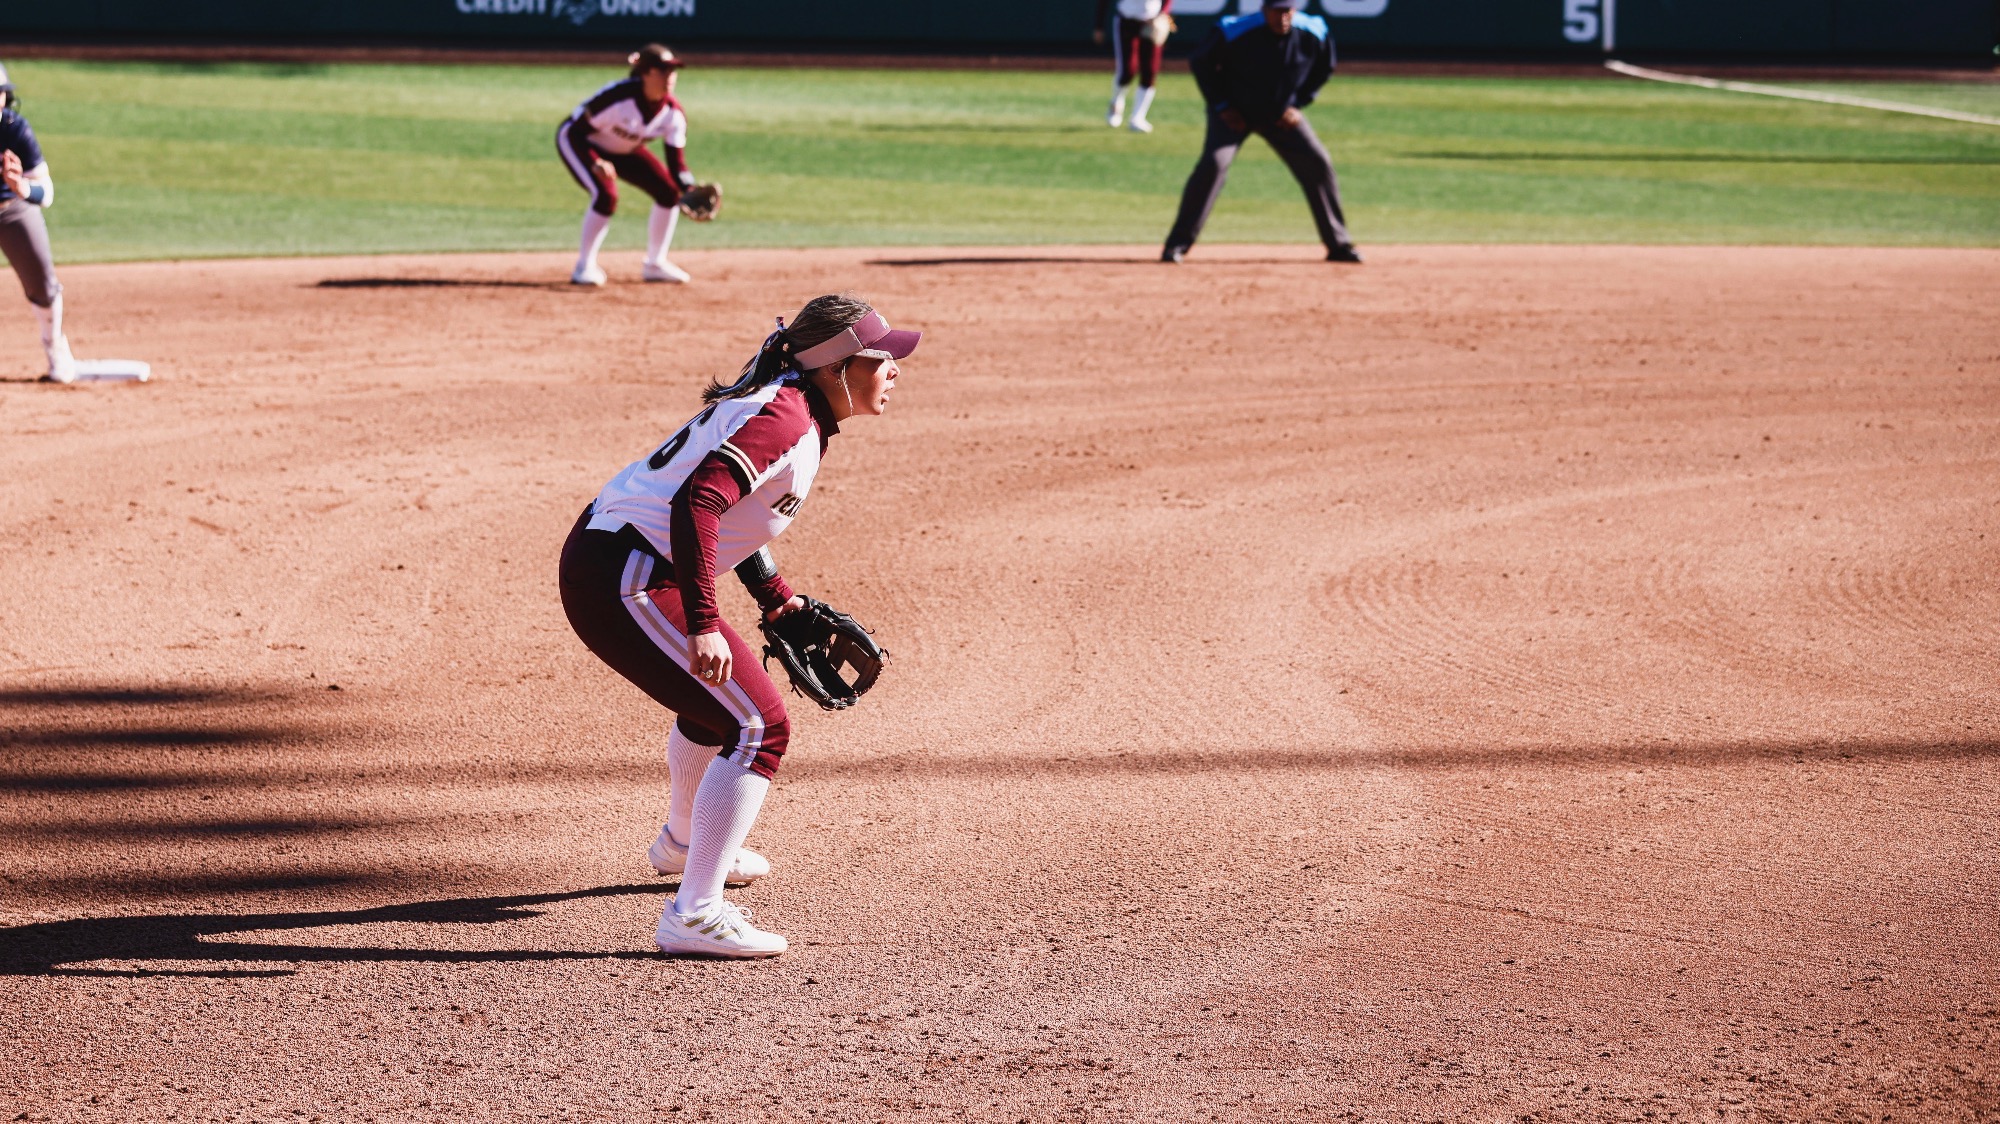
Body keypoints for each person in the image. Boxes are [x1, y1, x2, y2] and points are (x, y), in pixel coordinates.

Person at [559, 294, 921, 958]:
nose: (894, 368)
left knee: (717, 711)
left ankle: (683, 841)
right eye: (881, 358)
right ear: (837, 366)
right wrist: (703, 622)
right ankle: (695, 914)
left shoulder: (792, 408)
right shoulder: (785, 417)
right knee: (759, 725)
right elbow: (699, 501)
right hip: (626, 576)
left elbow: (736, 513)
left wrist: (774, 597)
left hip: (614, 561)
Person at [1161, 0, 1363, 265]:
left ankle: (1338, 244)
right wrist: (1222, 106)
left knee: (1317, 163)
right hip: (1234, 116)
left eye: (1288, 11)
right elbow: (1201, 63)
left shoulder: (1313, 32)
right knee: (1214, 164)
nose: (1283, 17)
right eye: (1277, 11)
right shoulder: (1233, 31)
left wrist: (1298, 103)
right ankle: (1177, 245)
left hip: (1280, 116)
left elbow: (1325, 67)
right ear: (1264, 10)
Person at [556, 44, 700, 287]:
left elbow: (677, 166)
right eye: (662, 70)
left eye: (672, 71)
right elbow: (576, 132)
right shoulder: (617, 99)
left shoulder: (672, 114)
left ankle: (655, 264)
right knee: (606, 194)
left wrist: (689, 187)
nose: (670, 77)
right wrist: (595, 162)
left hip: (623, 151)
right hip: (580, 142)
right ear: (645, 73)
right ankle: (584, 266)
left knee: (668, 192)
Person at [0, 62, 74, 383]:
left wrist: (21, 188)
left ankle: (55, 348)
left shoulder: (15, 129)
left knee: (43, 285)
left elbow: (47, 194)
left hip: (13, 209)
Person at [1094, 0, 1174, 133]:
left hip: (1151, 22)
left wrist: (1163, 14)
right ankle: (1116, 103)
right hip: (1127, 21)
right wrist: (1098, 26)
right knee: (1128, 71)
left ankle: (1138, 117)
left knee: (1150, 71)